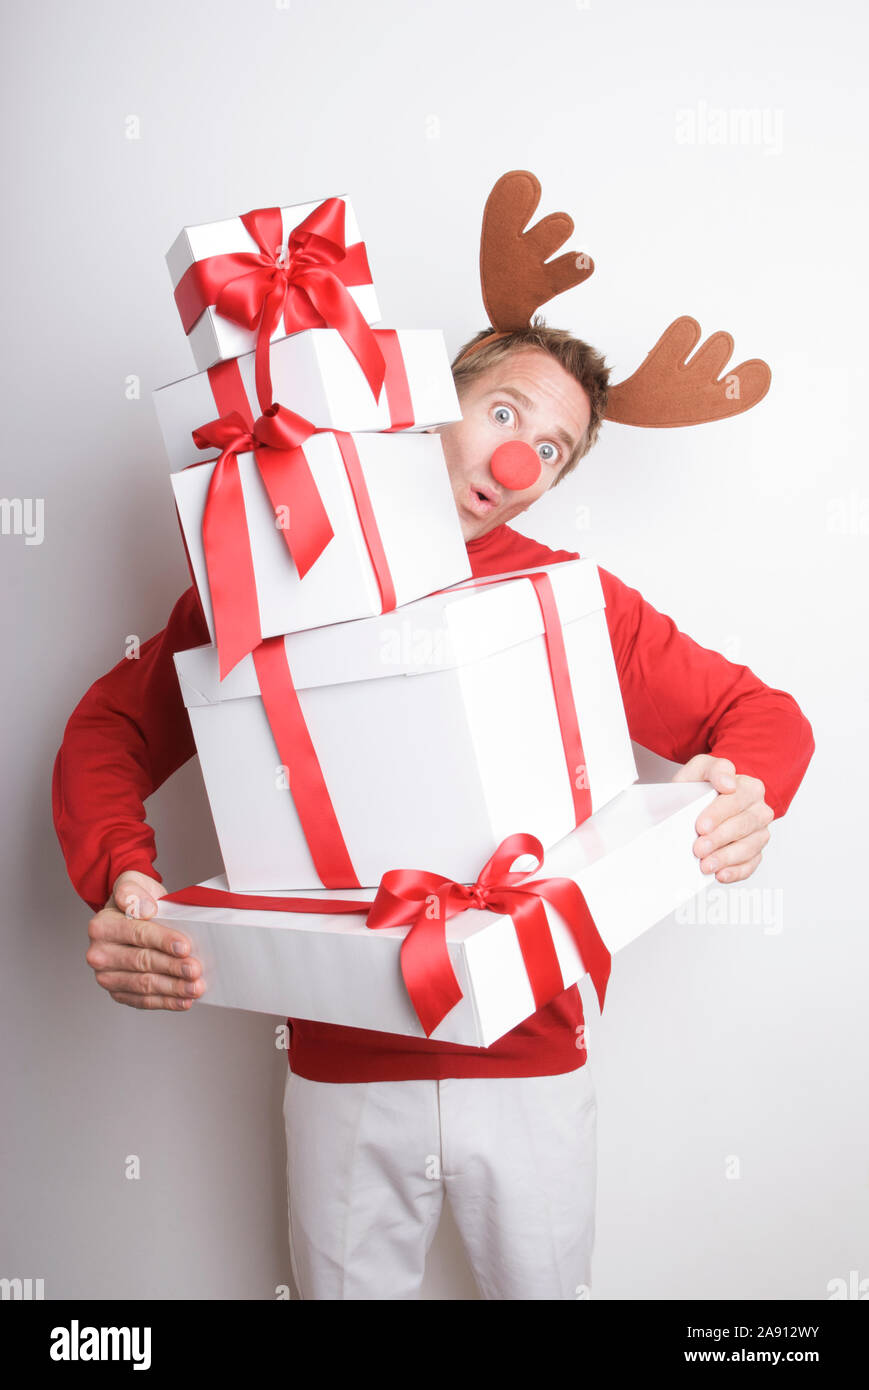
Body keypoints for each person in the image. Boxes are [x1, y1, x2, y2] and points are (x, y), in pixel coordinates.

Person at [51, 321, 815, 1300]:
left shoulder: (570, 599)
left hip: (534, 1061)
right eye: (504, 412)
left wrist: (741, 791)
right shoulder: (275, 578)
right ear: (424, 405)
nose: (515, 458)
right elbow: (107, 728)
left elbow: (760, 716)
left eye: (549, 449)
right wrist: (122, 873)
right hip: (342, 1064)